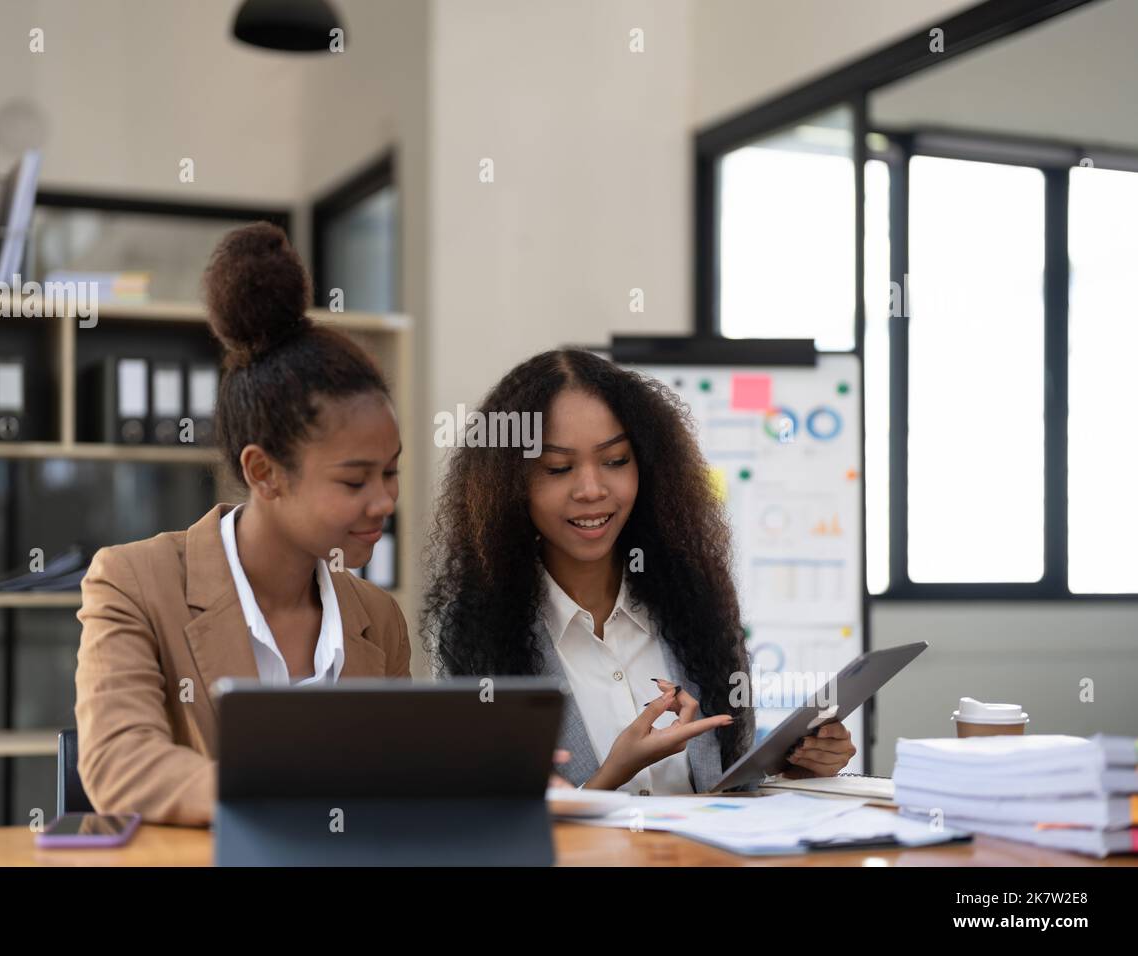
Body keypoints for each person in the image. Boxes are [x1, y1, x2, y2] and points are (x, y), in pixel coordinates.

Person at [74, 223, 409, 825]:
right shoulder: (135, 582)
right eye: (355, 480)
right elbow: (120, 764)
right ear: (265, 473)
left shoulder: (378, 619)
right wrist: (292, 794)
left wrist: (474, 777)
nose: (384, 501)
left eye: (391, 472)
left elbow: (394, 783)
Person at [423, 349, 855, 794]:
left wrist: (798, 772)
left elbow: (728, 791)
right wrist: (613, 774)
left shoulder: (696, 605)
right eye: (558, 468)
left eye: (615, 461)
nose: (592, 490)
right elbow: (499, 828)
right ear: (510, 483)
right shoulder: (475, 632)